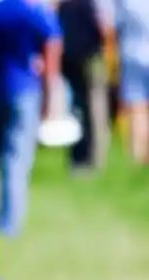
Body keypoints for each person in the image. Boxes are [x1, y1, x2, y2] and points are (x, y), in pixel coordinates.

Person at [0, 0, 62, 238]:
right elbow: (51, 51)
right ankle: (8, 224)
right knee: (14, 161)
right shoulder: (34, 12)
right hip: (23, 91)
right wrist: (50, 97)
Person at [59, 0, 116, 170]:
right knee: (91, 110)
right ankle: (91, 157)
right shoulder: (94, 4)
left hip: (72, 59)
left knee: (78, 109)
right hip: (87, 59)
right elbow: (105, 29)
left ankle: (80, 156)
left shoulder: (64, 5)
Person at [116, 0, 149, 162]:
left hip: (132, 53)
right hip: (135, 52)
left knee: (137, 109)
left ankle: (137, 157)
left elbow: (112, 22)